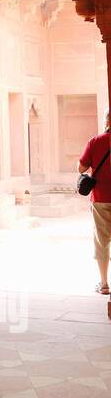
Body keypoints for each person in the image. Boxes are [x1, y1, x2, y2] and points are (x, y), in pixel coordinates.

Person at [78, 110, 111, 294]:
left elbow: (81, 167)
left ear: (106, 121)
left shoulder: (95, 141)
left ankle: (104, 284)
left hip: (101, 198)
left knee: (102, 240)